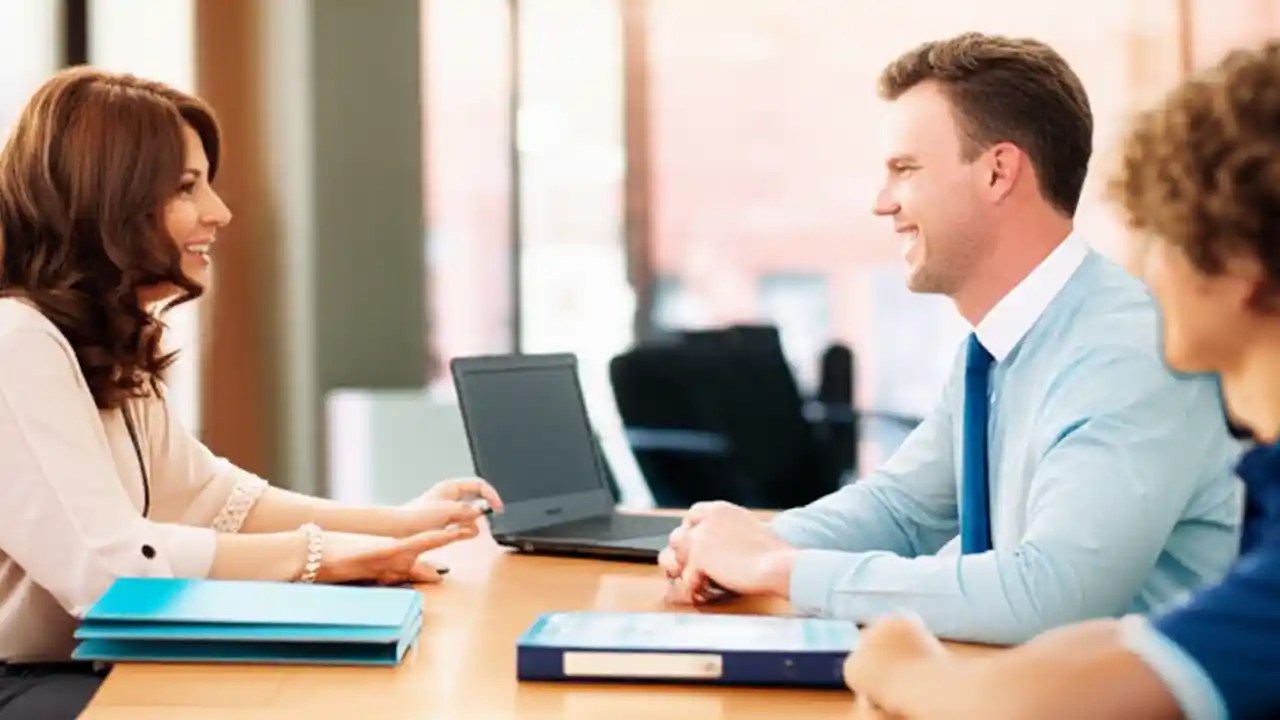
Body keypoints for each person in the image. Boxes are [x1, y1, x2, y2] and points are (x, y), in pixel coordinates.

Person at [659, 32, 1242, 645]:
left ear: (998, 172)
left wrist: (777, 568)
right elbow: (904, 507)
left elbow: (1050, 594)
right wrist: (745, 545)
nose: (882, 203)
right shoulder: (996, 348)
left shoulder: (1128, 352)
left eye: (905, 170)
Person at [0, 68, 503, 718]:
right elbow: (111, 570)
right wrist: (323, 558)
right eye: (187, 188)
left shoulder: (105, 341)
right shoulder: (18, 342)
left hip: (86, 665)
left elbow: (214, 499)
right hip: (24, 684)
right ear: (107, 201)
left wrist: (395, 524)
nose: (220, 211)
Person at [843, 39, 1280, 720]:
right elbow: (1129, 646)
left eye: (1159, 232)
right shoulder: (1268, 490)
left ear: (1240, 271)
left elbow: (1047, 689)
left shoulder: (1119, 343)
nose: (1141, 266)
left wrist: (899, 658)